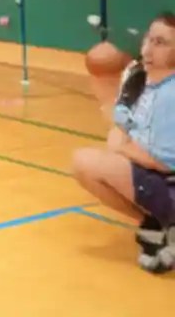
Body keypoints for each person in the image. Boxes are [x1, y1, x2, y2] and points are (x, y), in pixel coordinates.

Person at [73, 17, 175, 274]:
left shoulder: (170, 96)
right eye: (149, 39)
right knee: (89, 164)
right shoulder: (140, 79)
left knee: (87, 162)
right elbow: (122, 121)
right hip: (150, 169)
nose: (149, 49)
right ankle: (156, 223)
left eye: (161, 43)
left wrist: (121, 148)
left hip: (168, 179)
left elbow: (165, 162)